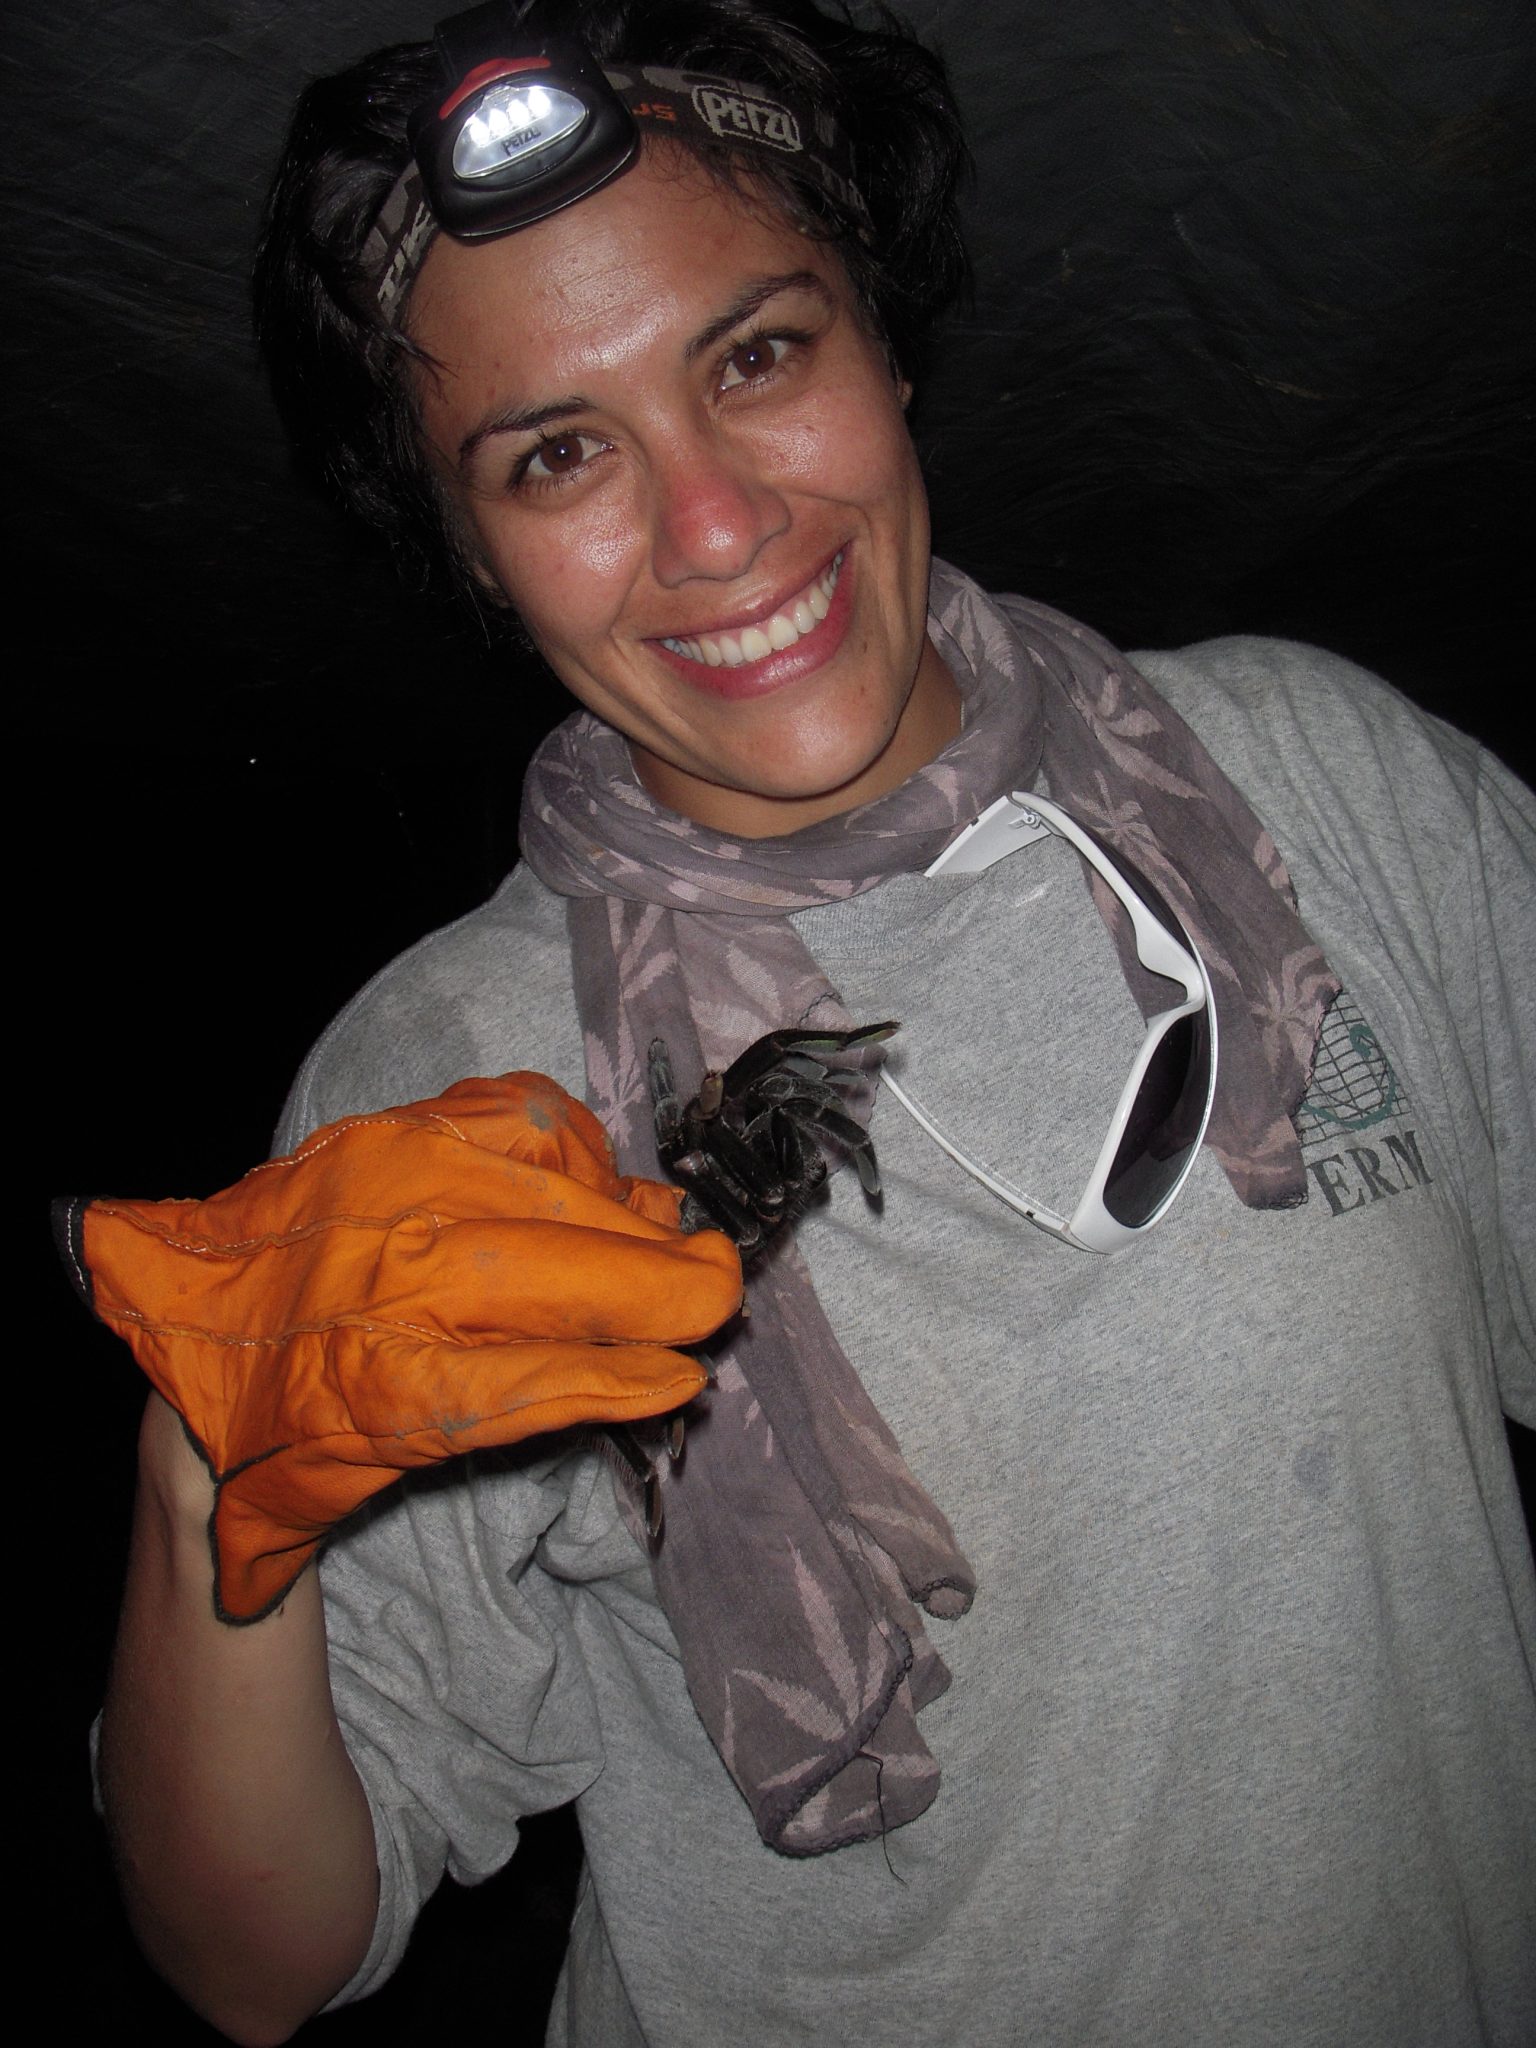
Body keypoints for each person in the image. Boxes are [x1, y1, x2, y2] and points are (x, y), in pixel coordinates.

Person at [91, 2, 1535, 2043]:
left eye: (756, 355)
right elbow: (251, 1960)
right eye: (558, 452)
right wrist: (200, 1462)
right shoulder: (445, 1080)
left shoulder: (1318, 780)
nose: (711, 524)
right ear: (481, 557)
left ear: (883, 344)